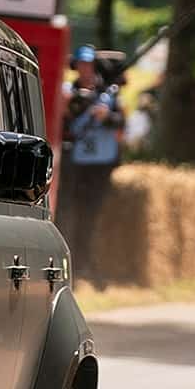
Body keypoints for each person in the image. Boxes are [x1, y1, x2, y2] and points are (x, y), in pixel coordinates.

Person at [58, 44, 123, 261]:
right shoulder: (67, 92)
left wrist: (107, 117)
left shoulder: (109, 93)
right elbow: (61, 125)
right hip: (76, 162)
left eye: (89, 64)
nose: (85, 69)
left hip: (102, 162)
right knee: (71, 210)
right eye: (81, 64)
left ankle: (86, 259)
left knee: (92, 212)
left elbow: (121, 122)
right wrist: (66, 108)